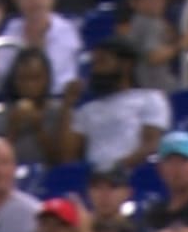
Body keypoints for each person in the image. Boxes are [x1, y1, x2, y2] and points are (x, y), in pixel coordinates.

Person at [61, 37, 171, 173]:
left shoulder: (150, 98)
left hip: (132, 174)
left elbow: (152, 144)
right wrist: (68, 105)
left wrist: (116, 170)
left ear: (126, 65)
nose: (96, 70)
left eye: (102, 62)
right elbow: (68, 156)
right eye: (94, 64)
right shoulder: (87, 110)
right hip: (94, 182)